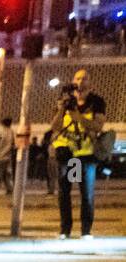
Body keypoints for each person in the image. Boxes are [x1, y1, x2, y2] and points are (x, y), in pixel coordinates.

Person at [50, 68, 107, 239]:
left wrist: (79, 118)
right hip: (67, 153)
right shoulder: (66, 101)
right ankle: (65, 229)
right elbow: (55, 126)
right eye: (78, 78)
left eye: (84, 78)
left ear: (90, 82)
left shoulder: (96, 102)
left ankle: (86, 230)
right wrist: (61, 109)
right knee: (64, 192)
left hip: (85, 154)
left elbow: (98, 126)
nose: (80, 82)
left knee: (86, 193)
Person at [0, 117, 15, 195]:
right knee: (7, 174)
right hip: (7, 155)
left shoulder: (0, 131)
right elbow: (13, 144)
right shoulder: (11, 132)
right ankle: (10, 189)